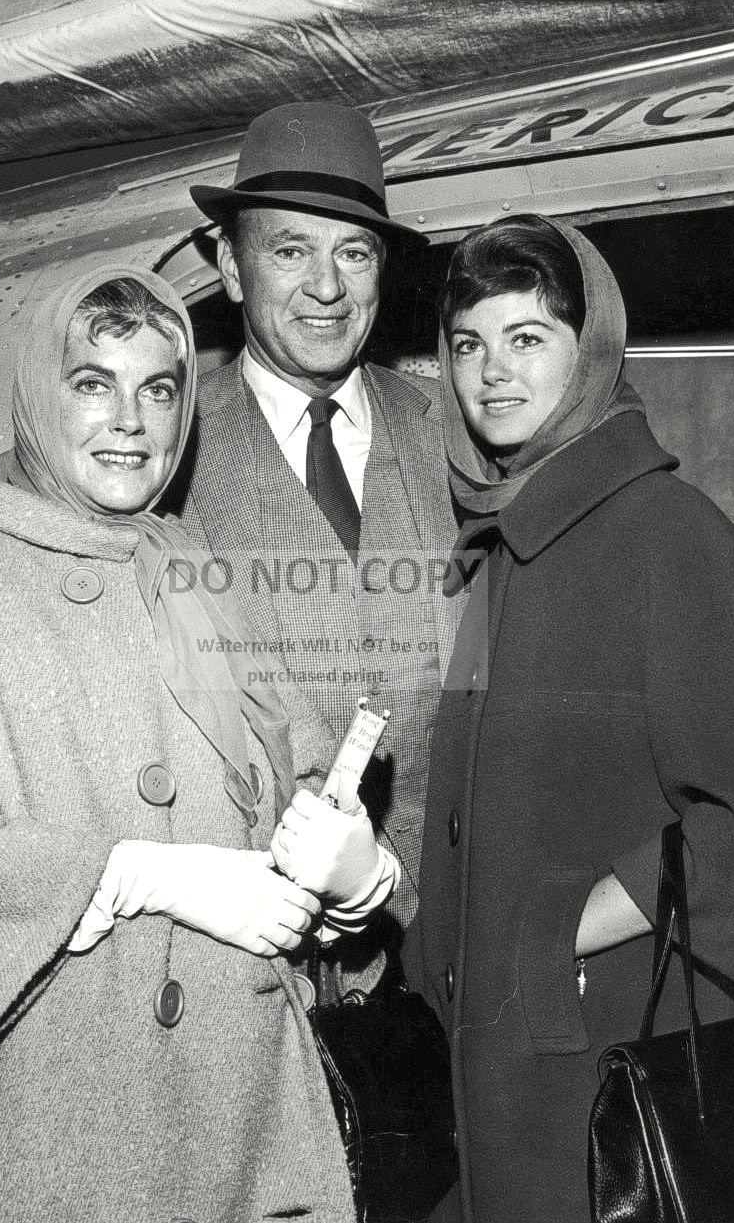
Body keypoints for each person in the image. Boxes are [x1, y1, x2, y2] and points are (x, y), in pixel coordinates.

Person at [0, 263, 394, 1223]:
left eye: (159, 390)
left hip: (247, 1114)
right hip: (65, 1134)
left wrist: (351, 873)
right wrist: (136, 874)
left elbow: (294, 782)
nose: (131, 420)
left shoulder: (193, 572)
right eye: (94, 384)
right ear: (42, 400)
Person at [408, 214, 734, 1222]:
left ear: (587, 352)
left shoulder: (665, 535)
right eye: (468, 343)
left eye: (526, 338)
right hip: (499, 1073)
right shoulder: (506, 538)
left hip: (601, 1069)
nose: (492, 372)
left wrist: (561, 932)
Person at [181, 101, 464, 989]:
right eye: (290, 250)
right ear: (232, 267)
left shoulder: (453, 432)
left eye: (354, 253)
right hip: (252, 976)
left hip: (446, 957)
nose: (327, 287)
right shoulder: (166, 449)